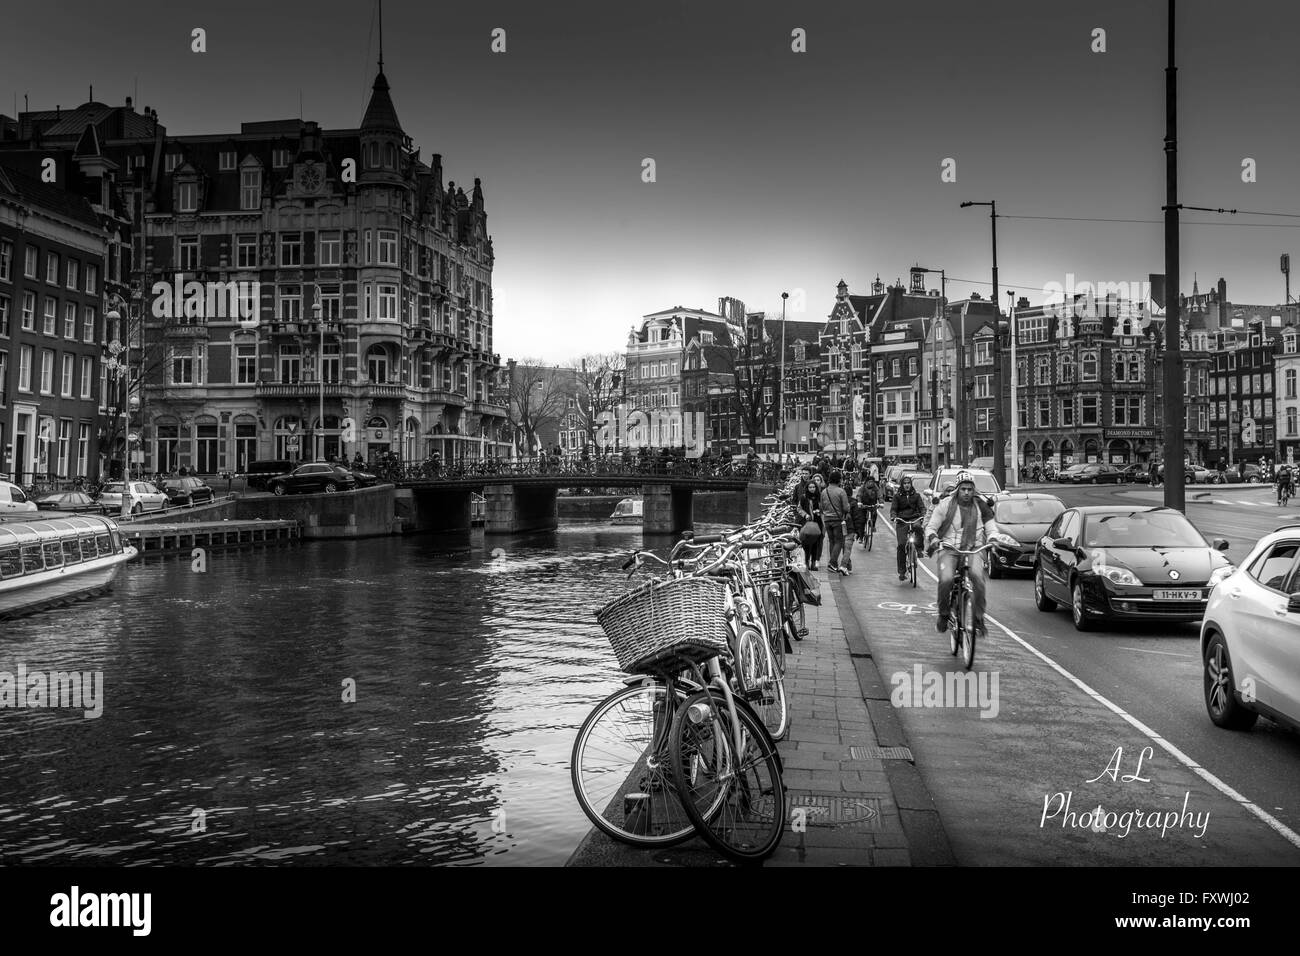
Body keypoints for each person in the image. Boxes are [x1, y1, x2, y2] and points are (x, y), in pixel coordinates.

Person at [924, 471, 1007, 642]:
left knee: (978, 578)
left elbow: (991, 527)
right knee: (946, 579)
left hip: (974, 549)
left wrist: (992, 538)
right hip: (949, 549)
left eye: (970, 489)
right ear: (957, 489)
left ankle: (978, 619)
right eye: (963, 489)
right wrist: (933, 539)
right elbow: (931, 527)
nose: (967, 493)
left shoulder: (981, 506)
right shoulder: (945, 504)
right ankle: (944, 614)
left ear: (974, 490)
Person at [890, 475, 926, 581]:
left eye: (908, 483)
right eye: (905, 483)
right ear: (902, 485)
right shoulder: (897, 496)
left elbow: (922, 507)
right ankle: (902, 571)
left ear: (911, 484)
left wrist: (923, 515)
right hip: (902, 521)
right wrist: (894, 517)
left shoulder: (917, 496)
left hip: (914, 518)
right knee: (901, 545)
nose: (907, 485)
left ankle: (919, 549)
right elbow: (893, 509)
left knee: (918, 527)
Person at [819, 469, 854, 575]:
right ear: (839, 480)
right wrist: (847, 509)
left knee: (832, 541)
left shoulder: (824, 492)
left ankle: (833, 565)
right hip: (837, 520)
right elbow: (846, 507)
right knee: (839, 541)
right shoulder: (841, 491)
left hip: (827, 519)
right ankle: (832, 562)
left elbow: (821, 506)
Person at [795, 478, 824, 570]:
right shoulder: (804, 497)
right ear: (807, 488)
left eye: (813, 487)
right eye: (810, 487)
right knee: (807, 544)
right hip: (807, 523)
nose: (812, 489)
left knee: (816, 543)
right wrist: (805, 515)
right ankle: (806, 561)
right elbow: (799, 509)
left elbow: (823, 507)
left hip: (818, 522)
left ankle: (813, 562)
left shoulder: (819, 497)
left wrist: (820, 512)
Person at [855, 473, 881, 544]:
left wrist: (881, 503)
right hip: (863, 506)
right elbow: (859, 495)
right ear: (866, 482)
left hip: (872, 505)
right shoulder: (863, 488)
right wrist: (859, 502)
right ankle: (860, 536)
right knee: (861, 521)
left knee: (875, 514)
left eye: (872, 482)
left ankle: (873, 526)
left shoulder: (876, 488)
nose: (870, 483)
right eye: (869, 481)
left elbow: (880, 495)